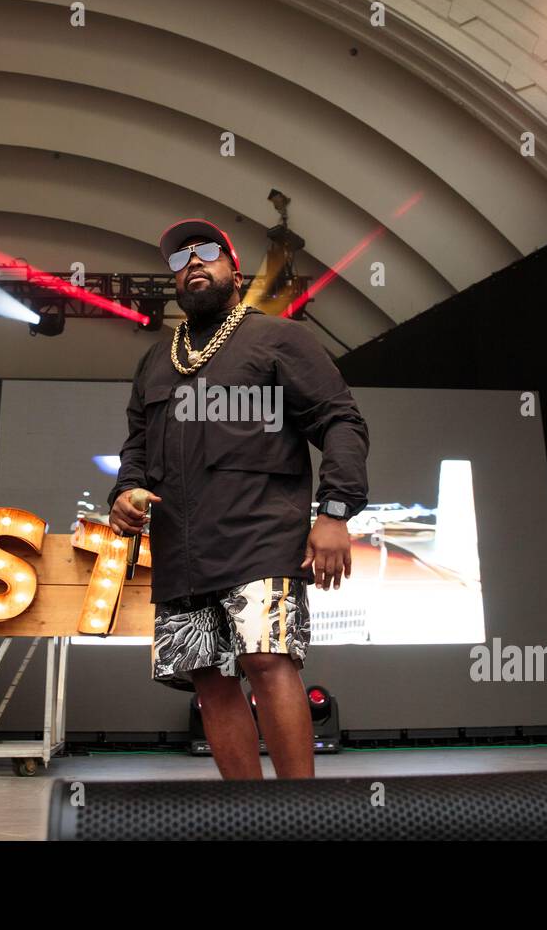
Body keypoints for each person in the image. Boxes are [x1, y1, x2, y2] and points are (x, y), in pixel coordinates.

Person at [108, 218, 369, 780]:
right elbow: (136, 446)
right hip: (179, 545)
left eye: (206, 252)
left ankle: (300, 819)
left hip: (260, 532)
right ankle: (247, 818)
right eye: (179, 259)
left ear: (235, 269)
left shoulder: (281, 338)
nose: (192, 263)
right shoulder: (156, 361)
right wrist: (125, 491)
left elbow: (340, 421)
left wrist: (335, 511)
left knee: (267, 658)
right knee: (208, 676)